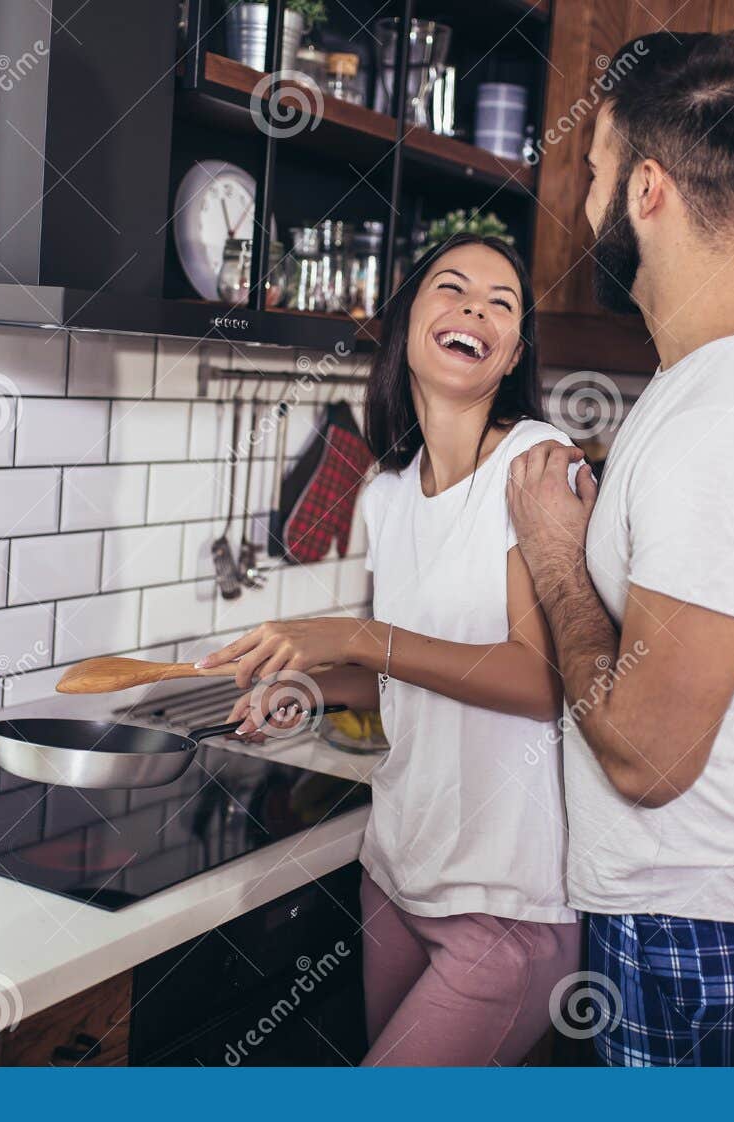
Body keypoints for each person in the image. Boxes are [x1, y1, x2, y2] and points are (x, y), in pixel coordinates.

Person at [504, 32, 734, 1066]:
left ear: (647, 191)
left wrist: (557, 554)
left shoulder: (722, 425)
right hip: (721, 915)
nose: (585, 200)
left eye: (597, 171)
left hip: (697, 924)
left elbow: (649, 757)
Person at [198, 233, 581, 1066]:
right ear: (407, 320)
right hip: (396, 871)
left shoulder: (536, 467)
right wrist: (309, 686)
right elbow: (408, 679)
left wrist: (357, 638)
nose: (475, 307)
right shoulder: (388, 489)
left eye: (501, 302)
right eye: (451, 288)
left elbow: (543, 680)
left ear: (513, 352)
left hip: (507, 902)